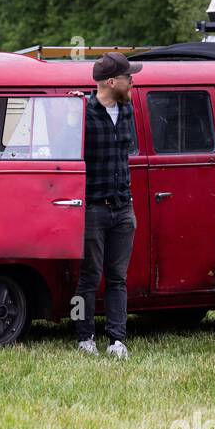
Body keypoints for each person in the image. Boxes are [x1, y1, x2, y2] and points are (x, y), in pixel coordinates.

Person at [75, 52, 140, 358]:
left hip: (123, 206)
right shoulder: (82, 114)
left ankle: (117, 340)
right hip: (92, 208)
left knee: (118, 277)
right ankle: (83, 336)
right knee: (88, 276)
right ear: (112, 82)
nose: (133, 83)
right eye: (129, 78)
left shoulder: (127, 111)